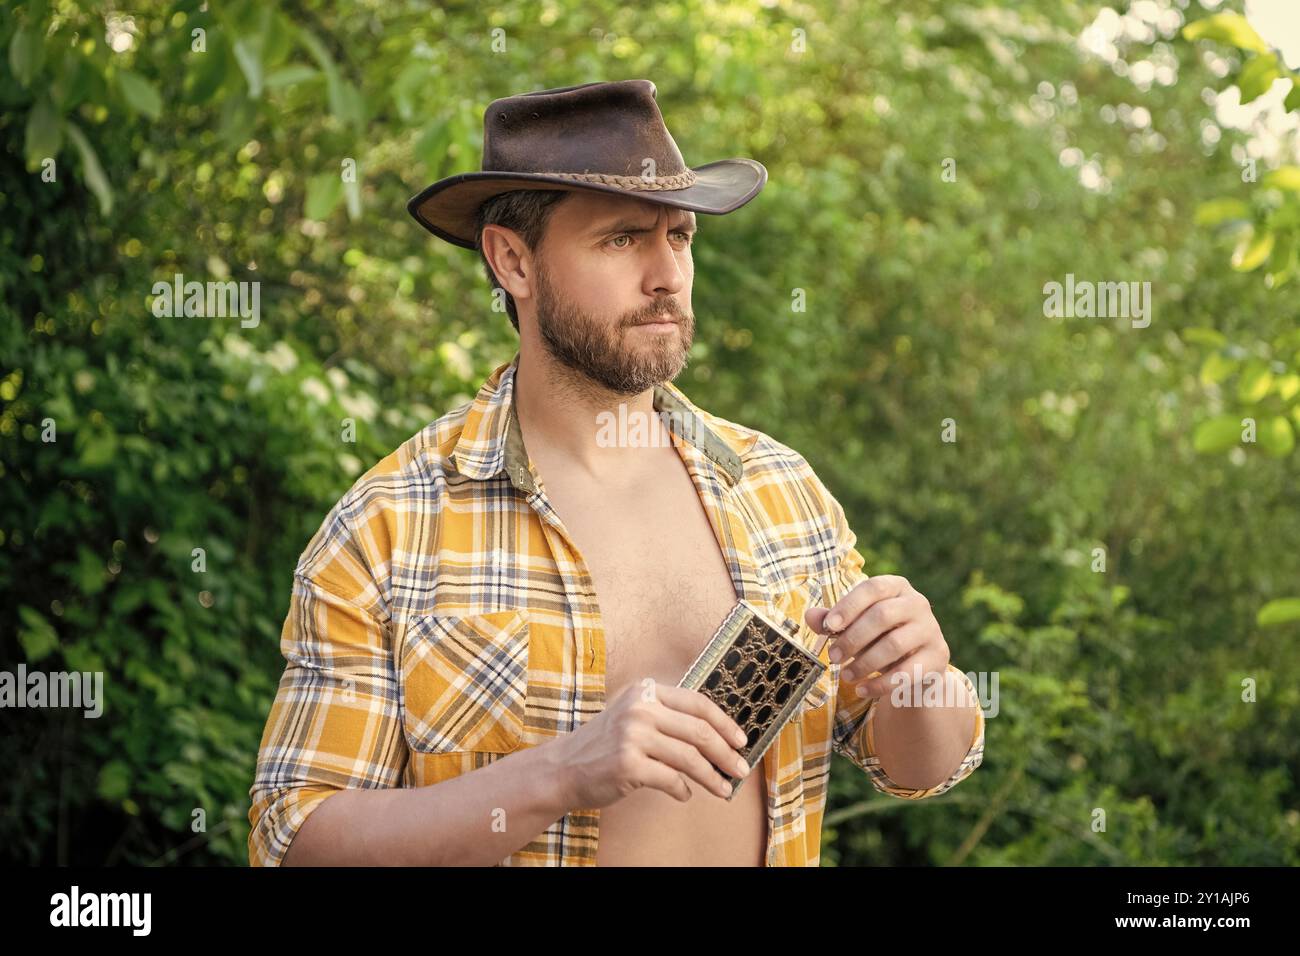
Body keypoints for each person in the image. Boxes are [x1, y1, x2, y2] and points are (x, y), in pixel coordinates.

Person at [248, 79, 985, 867]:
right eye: (624, 239)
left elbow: (919, 768)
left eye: (682, 236)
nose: (667, 274)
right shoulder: (389, 527)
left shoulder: (779, 489)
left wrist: (922, 675)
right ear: (512, 261)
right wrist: (559, 773)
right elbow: (296, 841)